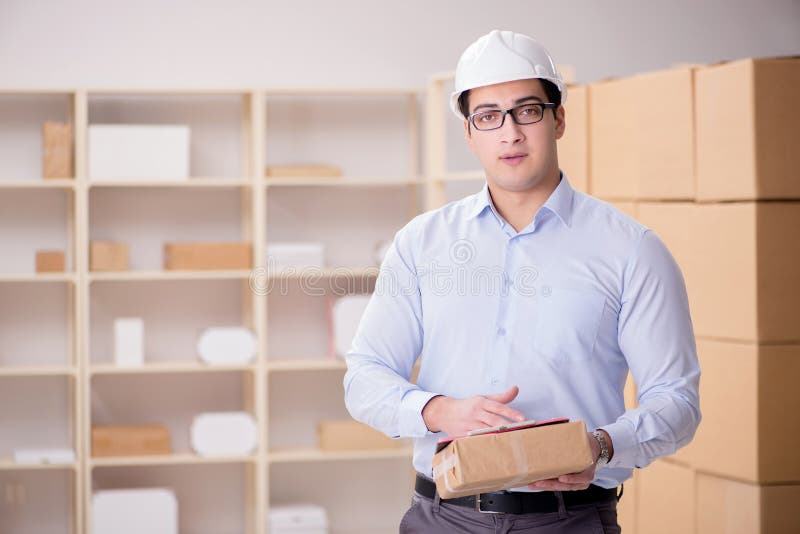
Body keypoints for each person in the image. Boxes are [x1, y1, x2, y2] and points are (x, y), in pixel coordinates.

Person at [343, 29, 700, 533]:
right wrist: (439, 411)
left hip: (568, 521)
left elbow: (677, 401)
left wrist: (599, 446)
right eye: (488, 117)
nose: (509, 133)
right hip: (441, 518)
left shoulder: (632, 250)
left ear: (558, 119)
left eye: (527, 110)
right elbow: (364, 377)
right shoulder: (421, 244)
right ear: (469, 134)